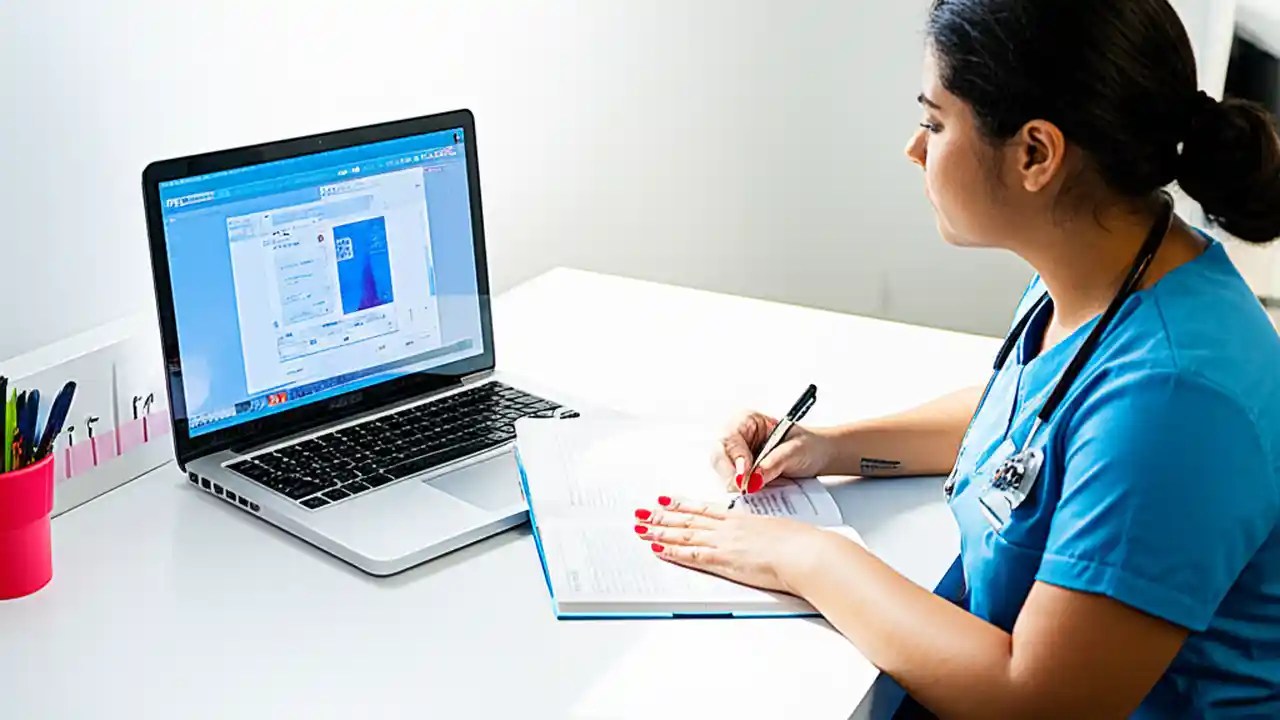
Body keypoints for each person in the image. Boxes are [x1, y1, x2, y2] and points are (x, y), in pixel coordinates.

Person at [630, 1, 1280, 717]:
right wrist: (832, 447)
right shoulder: (1114, 260)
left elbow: (1037, 702)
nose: (914, 149)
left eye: (936, 123)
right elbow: (1039, 420)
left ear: (1036, 154)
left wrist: (804, 556)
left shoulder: (1175, 399)